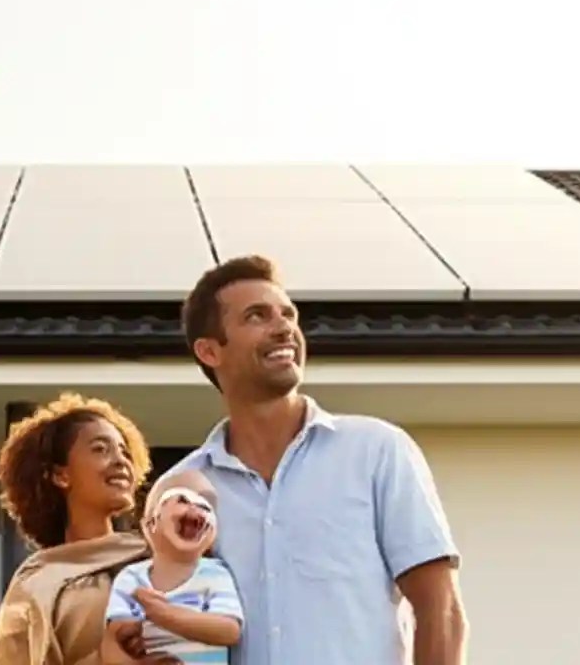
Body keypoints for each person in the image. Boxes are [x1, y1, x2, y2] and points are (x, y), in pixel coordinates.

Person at [158, 255, 469, 665]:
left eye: (289, 315)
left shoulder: (377, 451)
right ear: (210, 351)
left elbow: (441, 610)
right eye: (257, 316)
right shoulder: (182, 491)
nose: (284, 327)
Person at [0, 393, 173, 665]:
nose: (121, 461)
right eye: (100, 449)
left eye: (124, 451)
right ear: (61, 475)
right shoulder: (37, 582)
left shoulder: (159, 554)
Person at [101, 468, 244, 664]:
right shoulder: (131, 578)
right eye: (182, 500)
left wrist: (163, 614)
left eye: (206, 507)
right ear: (150, 524)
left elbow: (229, 631)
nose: (196, 509)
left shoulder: (216, 574)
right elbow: (114, 642)